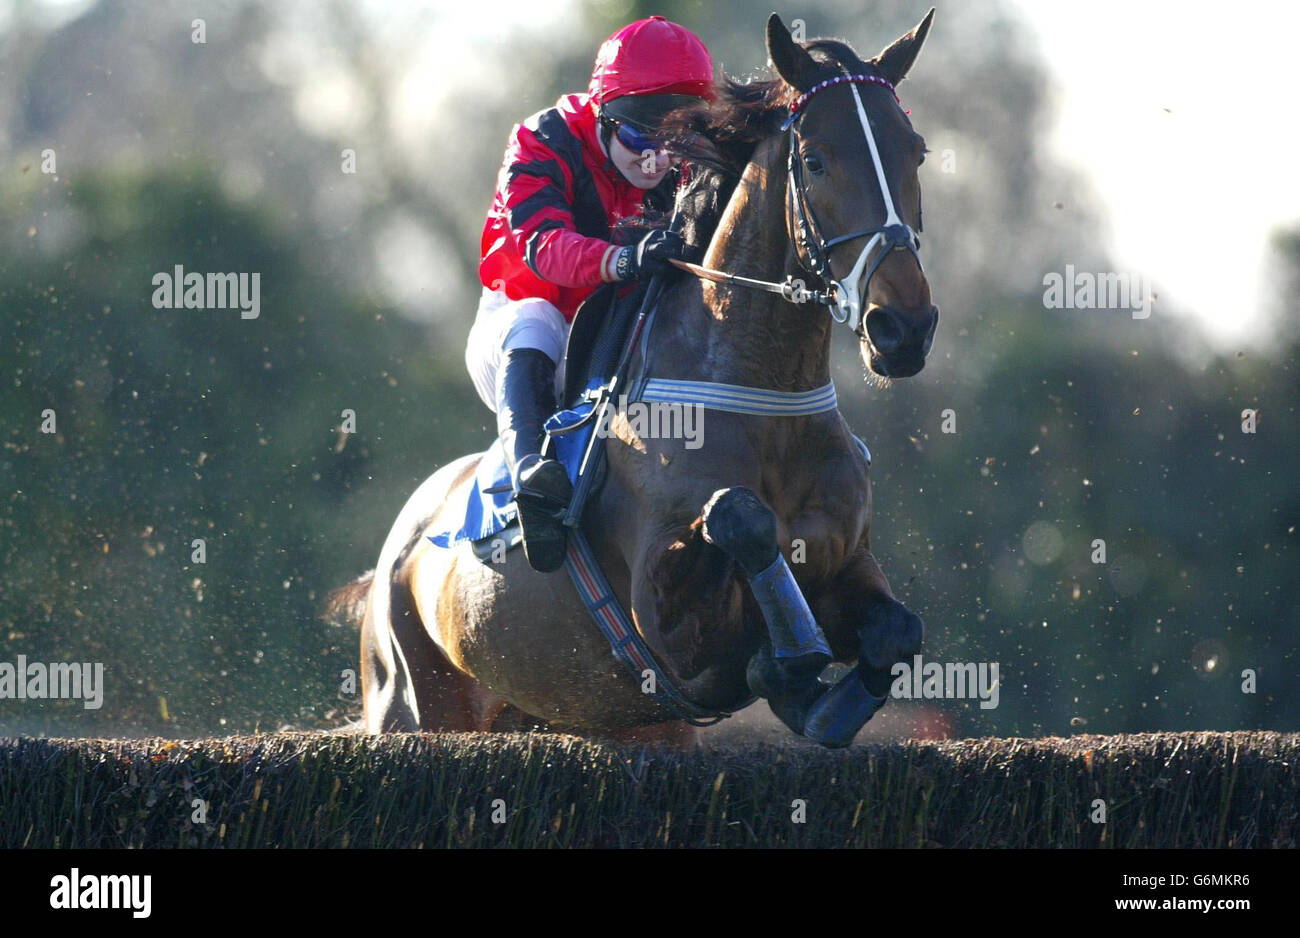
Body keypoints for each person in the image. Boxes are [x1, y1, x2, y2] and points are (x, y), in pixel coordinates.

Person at [466, 16, 714, 573]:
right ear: (602, 115)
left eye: (672, 142)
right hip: (530, 338)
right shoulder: (542, 139)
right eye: (638, 138)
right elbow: (539, 244)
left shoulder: (692, 162)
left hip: (625, 340)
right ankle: (532, 476)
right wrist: (621, 259)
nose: (654, 161)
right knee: (534, 318)